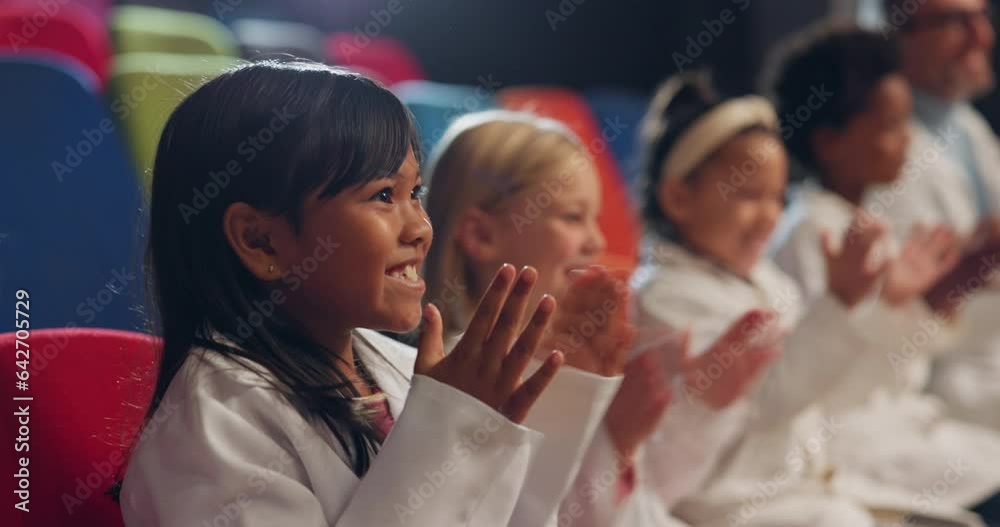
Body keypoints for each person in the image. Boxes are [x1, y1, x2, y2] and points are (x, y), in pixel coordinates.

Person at [120, 61, 623, 526]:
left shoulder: (392, 365)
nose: (422, 228)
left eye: (415, 194)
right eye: (383, 195)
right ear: (262, 240)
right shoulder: (211, 430)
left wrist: (563, 383)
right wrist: (448, 426)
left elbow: (511, 515)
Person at [630, 71, 982, 527]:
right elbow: (771, 400)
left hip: (808, 490)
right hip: (730, 507)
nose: (768, 216)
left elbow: (837, 395)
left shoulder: (765, 281)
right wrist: (839, 303)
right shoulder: (667, 298)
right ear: (678, 197)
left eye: (777, 197)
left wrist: (895, 306)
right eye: (747, 194)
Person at [768, 23, 1000, 523]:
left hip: (903, 421)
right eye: (891, 125)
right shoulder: (815, 236)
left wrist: (925, 301)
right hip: (850, 439)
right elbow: (825, 384)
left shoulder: (864, 225)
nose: (908, 142)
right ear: (830, 141)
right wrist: (923, 298)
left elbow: (894, 363)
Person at [422, 110, 679, 526]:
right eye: (573, 217)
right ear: (482, 235)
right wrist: (614, 440)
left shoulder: (568, 354)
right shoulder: (454, 375)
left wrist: (622, 444)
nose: (596, 242)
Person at [869, 0, 1000, 432]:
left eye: (981, 17)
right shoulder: (877, 151)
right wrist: (972, 266)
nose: (981, 36)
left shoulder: (965, 127)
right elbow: (888, 315)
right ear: (899, 31)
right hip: (939, 385)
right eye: (956, 22)